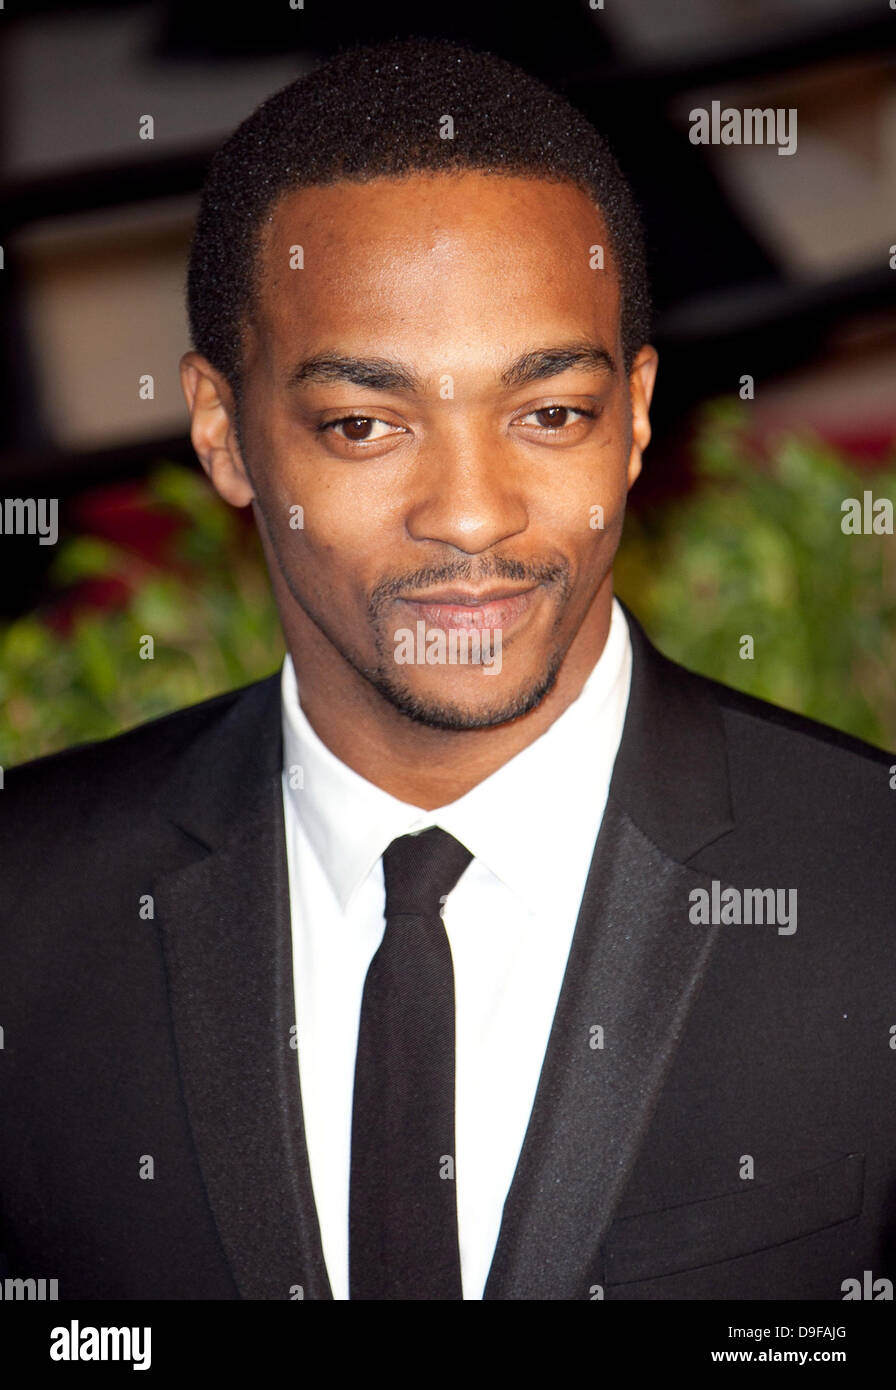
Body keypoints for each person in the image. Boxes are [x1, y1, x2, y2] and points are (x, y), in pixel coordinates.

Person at [1, 36, 892, 1303]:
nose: (471, 515)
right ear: (221, 432)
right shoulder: (26, 908)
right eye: (366, 424)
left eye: (549, 414)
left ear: (636, 418)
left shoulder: (871, 888)